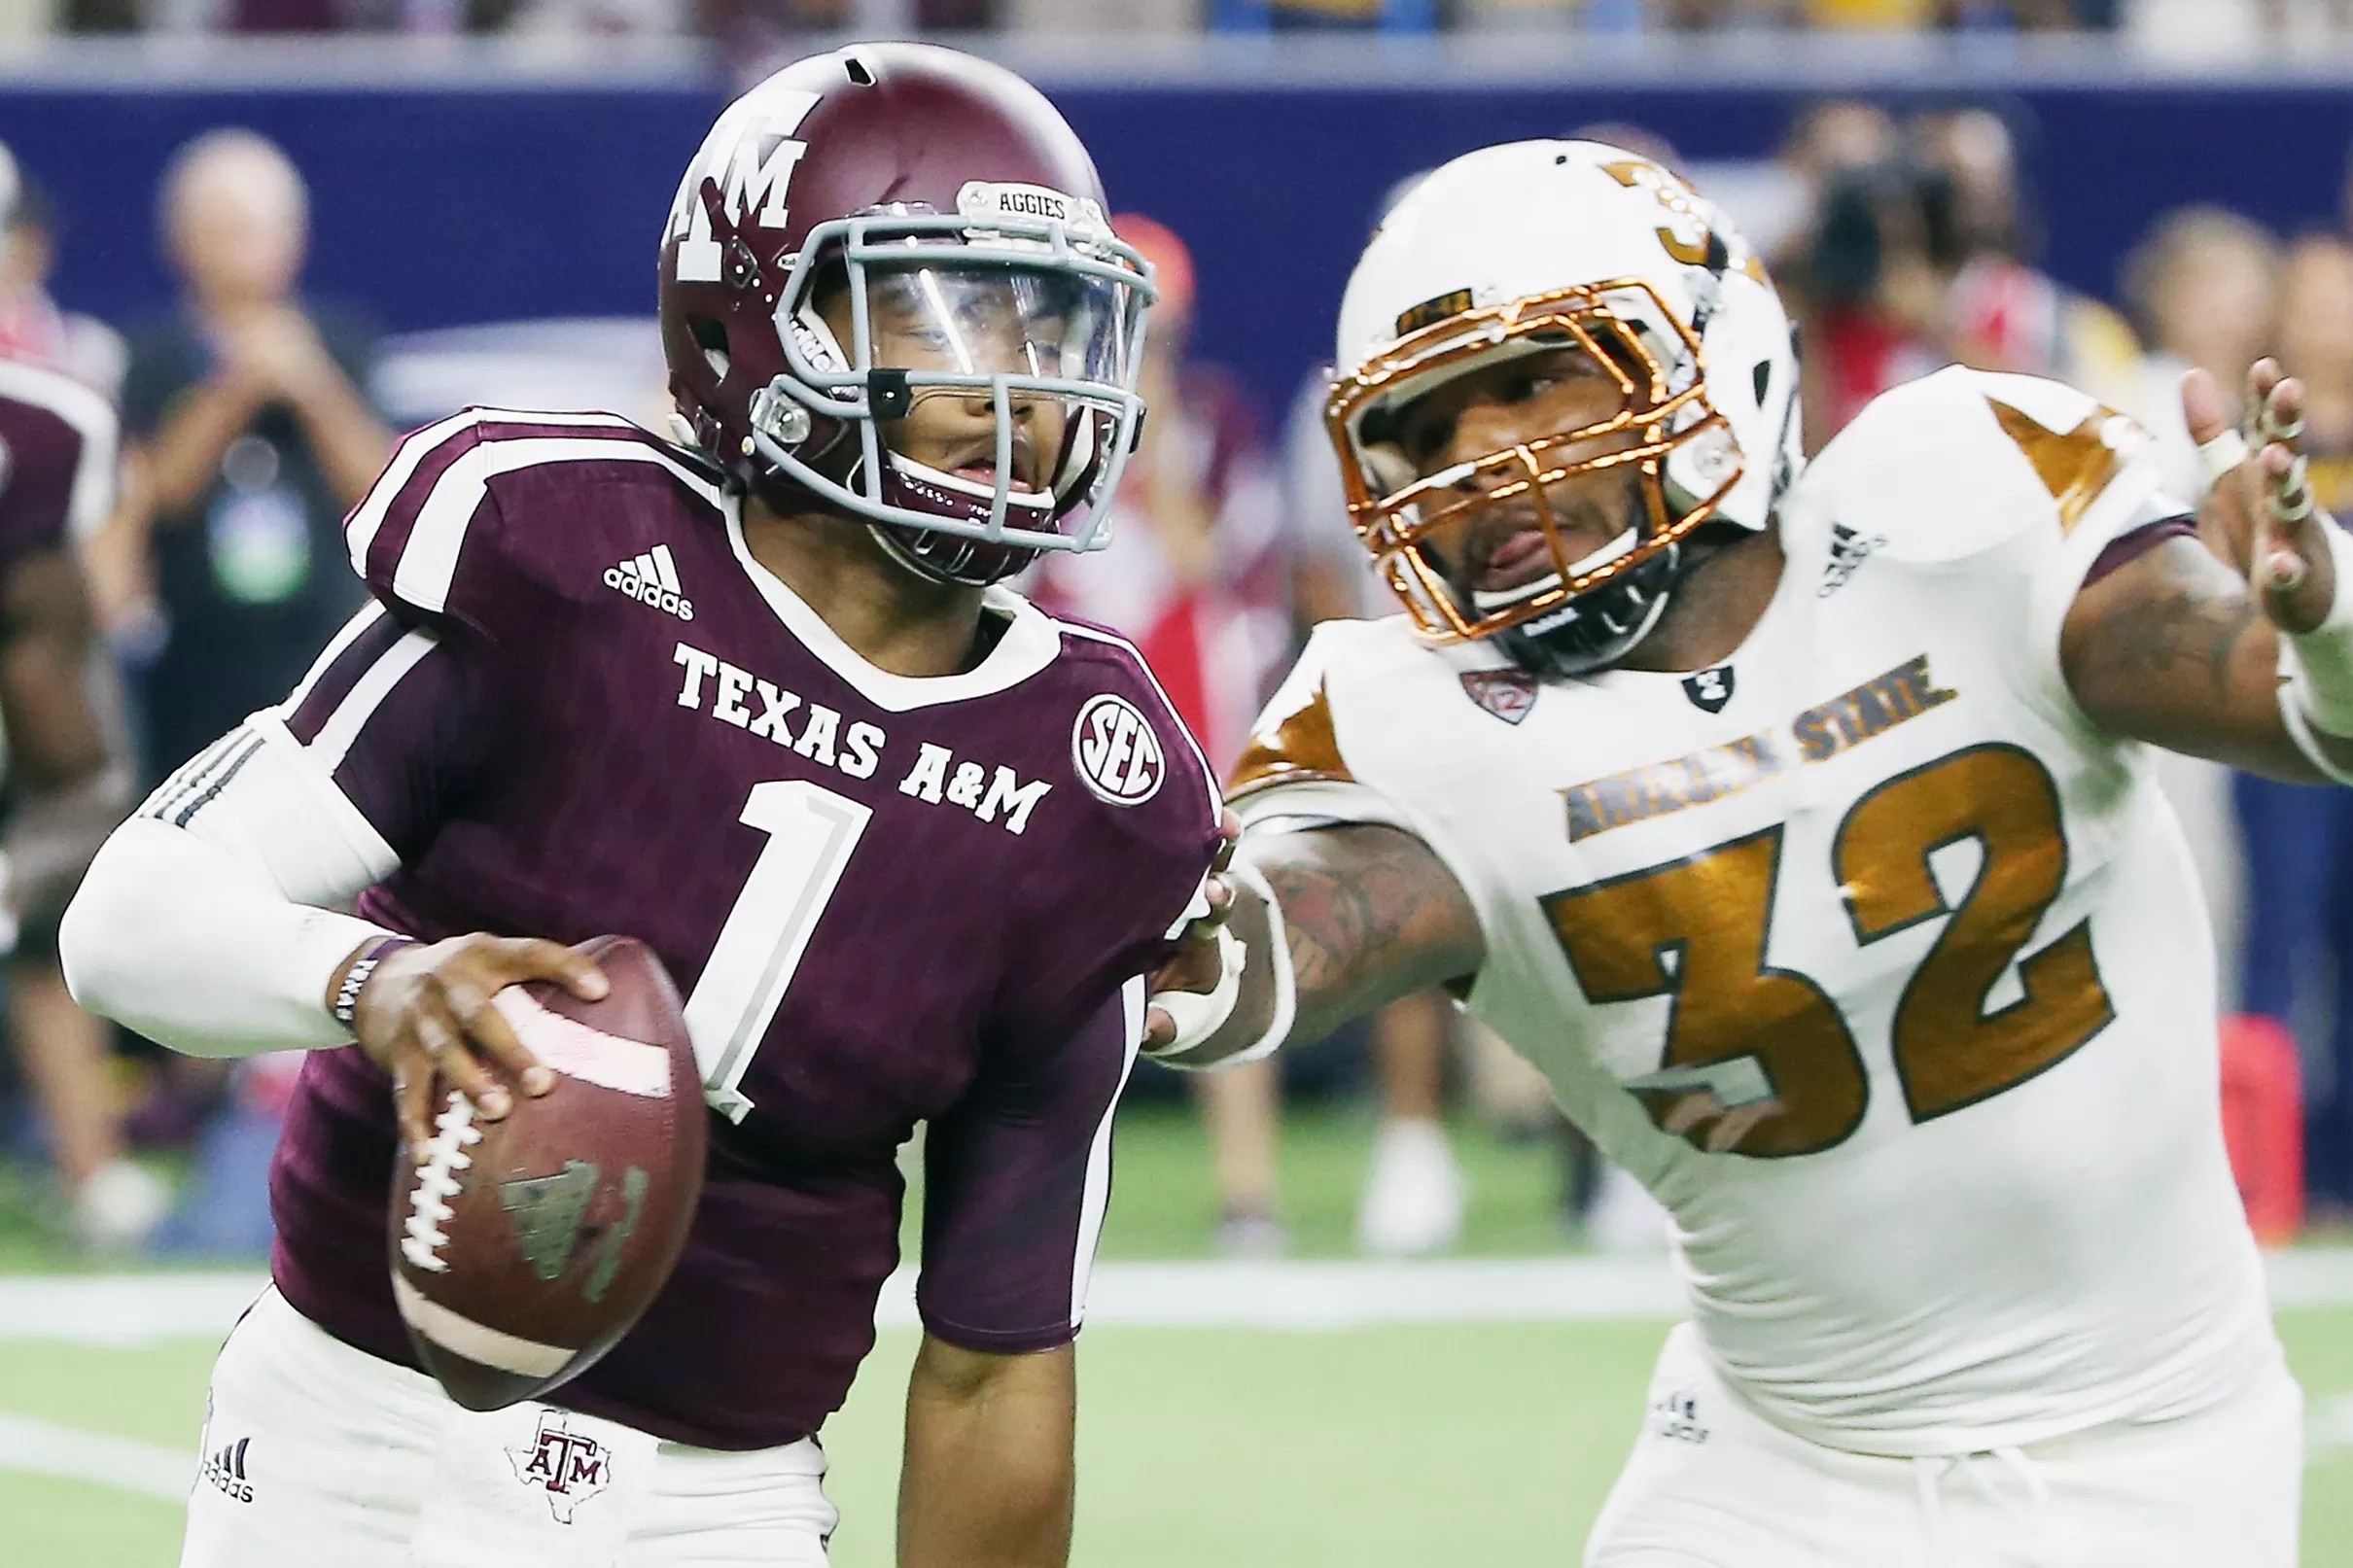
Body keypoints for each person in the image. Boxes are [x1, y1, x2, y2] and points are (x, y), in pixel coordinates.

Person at [62, 43, 1219, 1567]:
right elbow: (130, 926)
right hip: (341, 1436)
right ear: (749, 318)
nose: (1015, 377)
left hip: (704, 1506)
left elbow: (998, 1356)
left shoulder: (1094, 774)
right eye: (942, 310)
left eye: (1045, 319)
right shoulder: (570, 560)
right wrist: (372, 982)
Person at [1149, 141, 2317, 1561]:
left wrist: (2325, 626)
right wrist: (1087, 877)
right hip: (1776, 1466)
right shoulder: (1421, 716)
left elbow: (2290, 696)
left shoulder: (1960, 492)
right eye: (1430, 425)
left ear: (1712, 352)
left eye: (1535, 382)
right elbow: (1242, 965)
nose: (1477, 463)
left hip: (2156, 1448)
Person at [98, 127, 391, 786]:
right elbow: (153, 491)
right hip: (195, 664)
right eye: (228, 230)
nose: (248, 251)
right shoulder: (152, 356)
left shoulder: (341, 343)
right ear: (182, 241)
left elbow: (383, 488)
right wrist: (231, 391)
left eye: (262, 230)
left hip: (320, 656)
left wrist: (312, 386)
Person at [2234, 232, 2353, 1217]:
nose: (2327, 320)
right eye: (2308, 300)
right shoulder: (2262, 435)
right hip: (2280, 716)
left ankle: (2343, 1170)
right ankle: (2265, 1173)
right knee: (2277, 930)